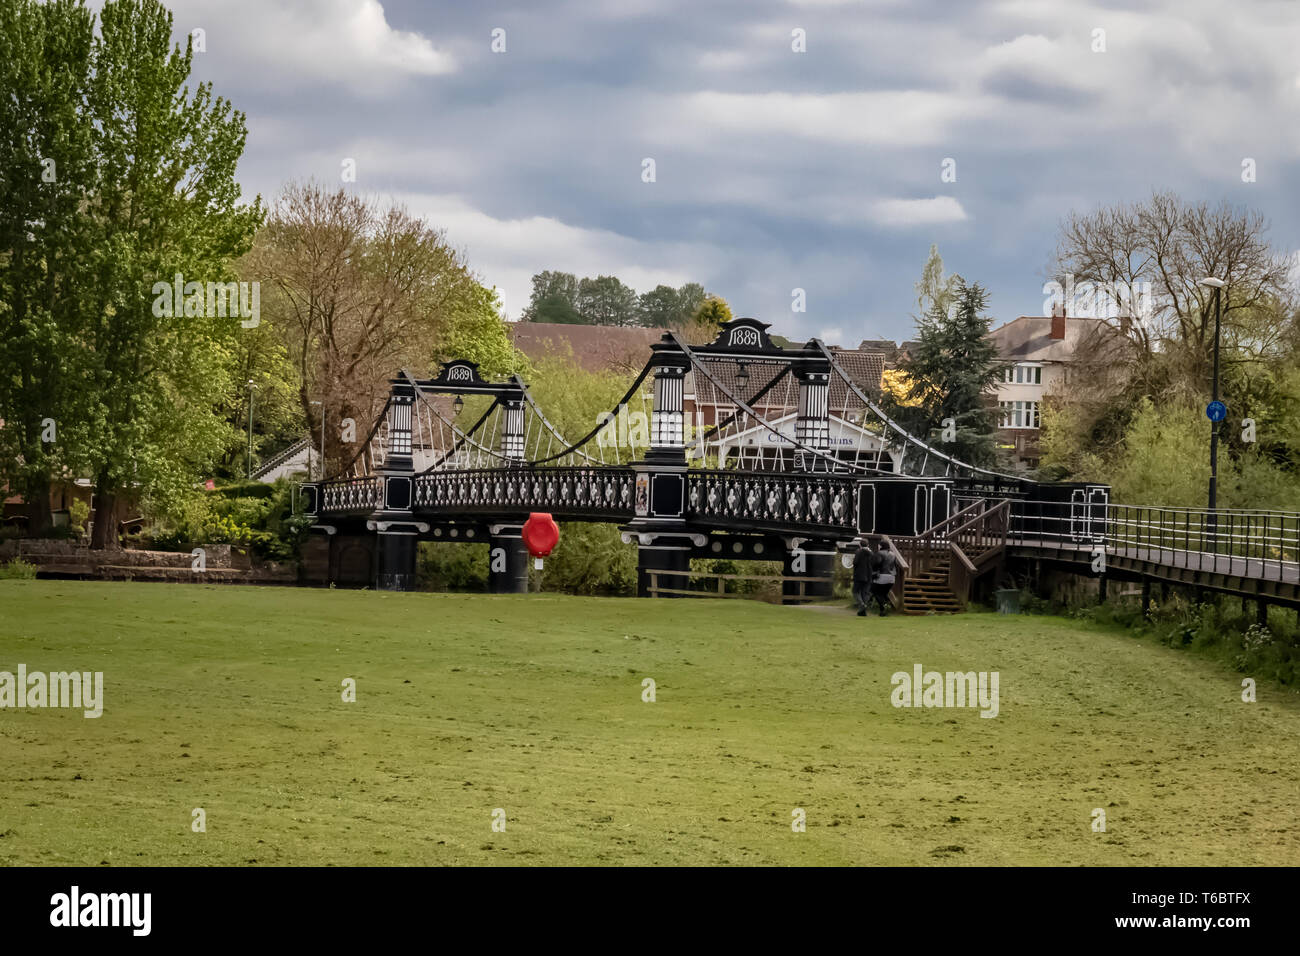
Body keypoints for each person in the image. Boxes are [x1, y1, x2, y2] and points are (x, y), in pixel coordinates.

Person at [870, 541, 898, 617]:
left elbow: (876, 564)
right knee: (883, 593)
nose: (878, 546)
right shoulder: (893, 554)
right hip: (892, 578)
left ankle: (883, 607)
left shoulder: (879, 553)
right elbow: (896, 566)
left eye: (879, 545)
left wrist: (873, 572)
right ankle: (885, 606)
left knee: (874, 591)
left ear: (881, 546)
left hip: (882, 576)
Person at [851, 543, 874, 616]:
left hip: (859, 575)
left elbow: (855, 562)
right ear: (868, 545)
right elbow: (873, 562)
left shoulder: (858, 552)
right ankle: (863, 612)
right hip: (869, 575)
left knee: (855, 591)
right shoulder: (871, 553)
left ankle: (862, 605)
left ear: (860, 545)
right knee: (865, 593)